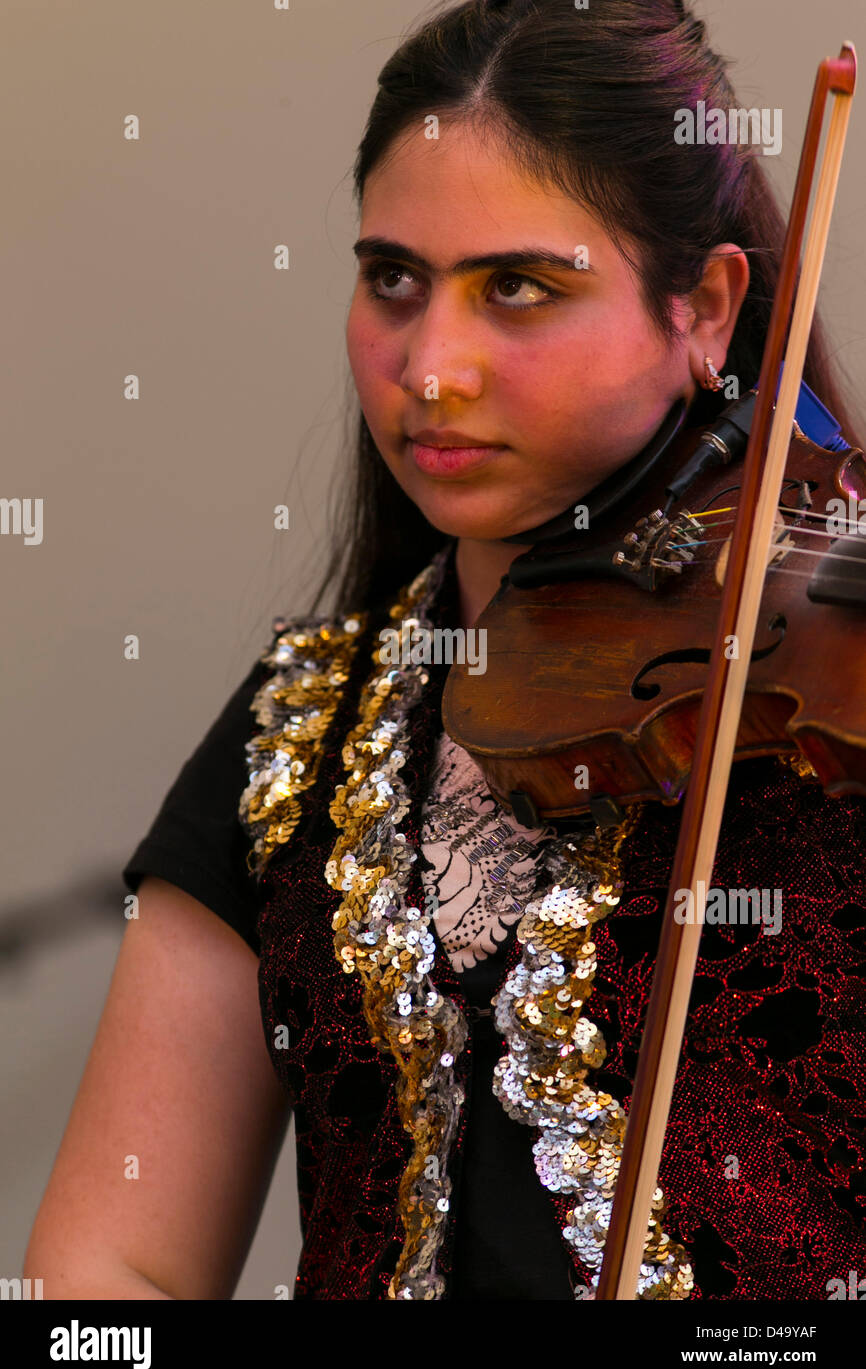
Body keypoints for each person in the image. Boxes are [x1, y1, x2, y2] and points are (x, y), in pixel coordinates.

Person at [24, 0, 866, 1302]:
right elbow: (110, 1266)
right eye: (394, 279)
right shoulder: (298, 732)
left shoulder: (834, 708)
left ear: (702, 309)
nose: (430, 367)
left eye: (518, 287)